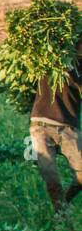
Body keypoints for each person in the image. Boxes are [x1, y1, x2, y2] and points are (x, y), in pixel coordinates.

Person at [28, 55, 82, 214]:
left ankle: (65, 201)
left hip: (69, 128)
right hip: (40, 124)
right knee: (51, 179)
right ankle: (61, 214)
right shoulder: (50, 55)